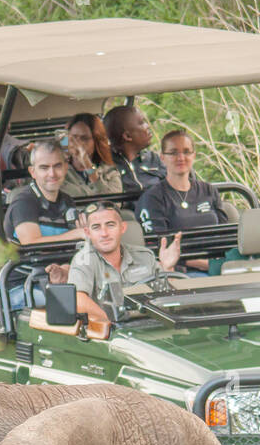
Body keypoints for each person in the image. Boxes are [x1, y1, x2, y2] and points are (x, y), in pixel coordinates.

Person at [67, 202, 181, 324]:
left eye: (110, 225)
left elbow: (170, 298)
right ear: (88, 233)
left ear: (122, 228)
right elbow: (78, 300)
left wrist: (168, 268)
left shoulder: (144, 256)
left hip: (151, 326)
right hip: (112, 335)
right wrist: (113, 324)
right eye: (96, 227)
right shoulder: (83, 260)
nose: (104, 233)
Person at [135, 129, 228, 274]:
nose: (181, 157)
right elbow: (159, 248)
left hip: (219, 266)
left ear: (194, 155)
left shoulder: (209, 190)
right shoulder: (152, 198)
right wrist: (206, 265)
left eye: (186, 151)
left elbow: (225, 235)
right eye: (173, 153)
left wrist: (221, 264)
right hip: (182, 271)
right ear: (162, 158)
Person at [3, 140, 85, 246]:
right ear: (32, 172)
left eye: (57, 166)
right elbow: (30, 244)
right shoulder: (23, 202)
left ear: (66, 168)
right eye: (44, 168)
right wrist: (76, 234)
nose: (52, 174)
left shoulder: (67, 201)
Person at [103, 104, 164, 195]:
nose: (148, 126)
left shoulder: (154, 159)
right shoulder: (105, 166)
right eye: (141, 123)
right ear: (127, 136)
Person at [59, 113, 122, 199]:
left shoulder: (109, 171)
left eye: (84, 138)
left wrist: (89, 167)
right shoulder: (58, 170)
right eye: (73, 138)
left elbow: (115, 202)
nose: (78, 143)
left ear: (96, 142)